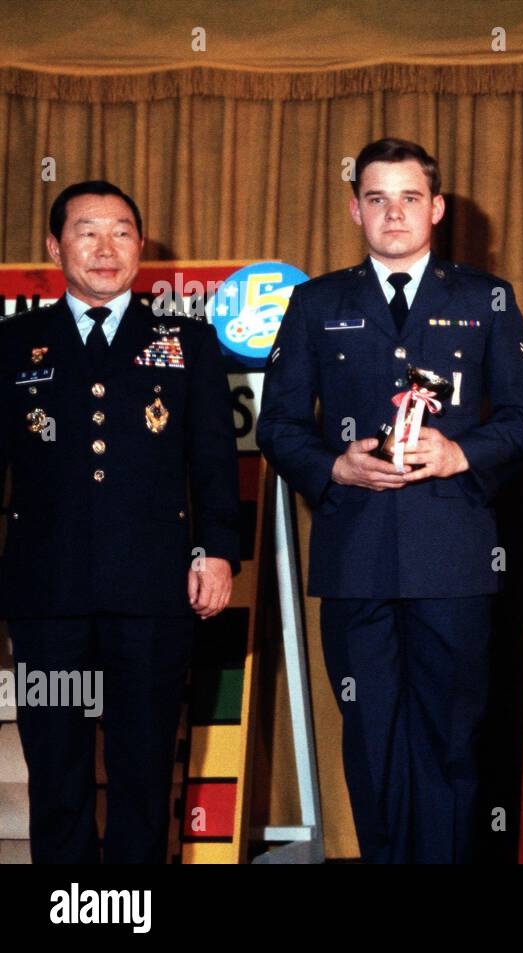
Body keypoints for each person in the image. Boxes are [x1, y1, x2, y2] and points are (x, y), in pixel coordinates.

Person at [257, 138, 523, 863]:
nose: (394, 212)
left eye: (410, 197)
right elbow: (278, 427)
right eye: (377, 198)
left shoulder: (485, 298)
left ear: (437, 207)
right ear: (355, 208)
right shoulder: (317, 301)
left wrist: (459, 452)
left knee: (453, 745)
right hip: (357, 563)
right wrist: (335, 466)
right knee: (374, 745)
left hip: (454, 563)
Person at [0, 180, 240, 863]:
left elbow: (214, 463)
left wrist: (218, 550)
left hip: (153, 599)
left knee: (142, 769)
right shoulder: (14, 344)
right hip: (49, 601)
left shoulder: (185, 342)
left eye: (122, 232)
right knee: (58, 770)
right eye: (87, 232)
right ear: (54, 245)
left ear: (141, 245)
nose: (106, 249)